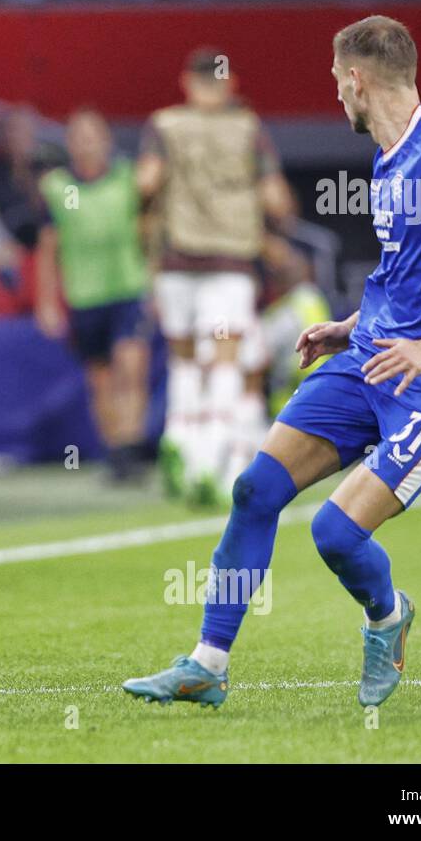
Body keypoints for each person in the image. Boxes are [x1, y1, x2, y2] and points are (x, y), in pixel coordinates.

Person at [123, 15, 421, 710]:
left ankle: (388, 616)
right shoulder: (388, 160)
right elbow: (407, 278)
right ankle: (207, 664)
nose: (337, 94)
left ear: (359, 79)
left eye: (338, 81)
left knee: (336, 532)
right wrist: (349, 327)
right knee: (255, 491)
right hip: (371, 360)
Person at [138, 48, 294, 505]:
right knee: (228, 362)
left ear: (187, 82)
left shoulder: (163, 125)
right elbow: (276, 199)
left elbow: (146, 182)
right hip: (229, 263)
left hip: (176, 262)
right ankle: (215, 464)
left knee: (184, 361)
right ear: (230, 83)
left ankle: (181, 447)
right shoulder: (248, 128)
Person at [36, 108, 152, 482]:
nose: (87, 143)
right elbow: (47, 248)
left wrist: (155, 280)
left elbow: (147, 231)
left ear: (106, 140)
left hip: (128, 287)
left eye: (93, 135)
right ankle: (115, 450)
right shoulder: (57, 187)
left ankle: (132, 445)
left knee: (130, 366)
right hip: (85, 296)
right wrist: (47, 301)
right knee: (100, 378)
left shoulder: (127, 179)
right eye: (79, 136)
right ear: (70, 144)